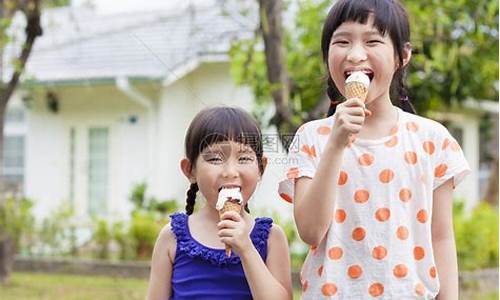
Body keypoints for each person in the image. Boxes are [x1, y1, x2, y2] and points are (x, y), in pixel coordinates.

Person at [278, 0, 470, 299]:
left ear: (402, 56)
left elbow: (441, 237)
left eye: (372, 41)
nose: (355, 54)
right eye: (341, 41)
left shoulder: (432, 139)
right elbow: (310, 232)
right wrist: (336, 144)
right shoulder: (311, 137)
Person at [147, 106, 293, 300]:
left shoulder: (272, 238)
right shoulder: (171, 237)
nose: (230, 171)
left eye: (244, 158)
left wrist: (246, 249)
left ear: (261, 168)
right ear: (190, 170)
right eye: (215, 158)